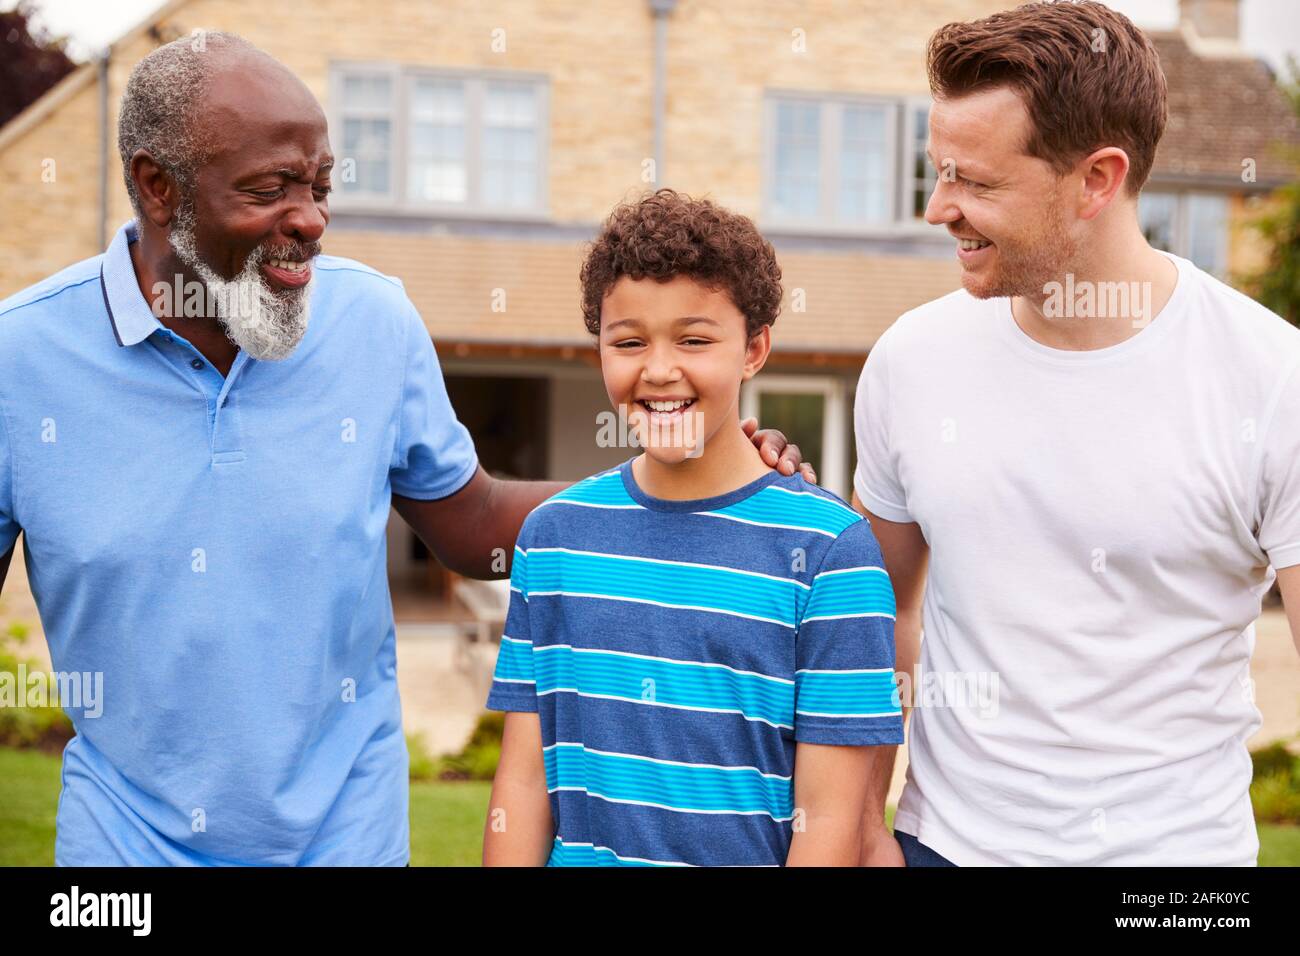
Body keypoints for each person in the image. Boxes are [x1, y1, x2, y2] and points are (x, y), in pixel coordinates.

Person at [0, 34, 809, 866]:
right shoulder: (19, 364)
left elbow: (474, 523)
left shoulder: (372, 322)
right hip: (122, 853)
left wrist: (688, 477)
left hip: (346, 842)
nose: (309, 219)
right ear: (157, 186)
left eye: (318, 186)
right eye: (268, 189)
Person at [853, 0, 1300, 867]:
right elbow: (880, 617)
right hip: (945, 848)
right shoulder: (911, 361)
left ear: (1097, 178)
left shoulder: (1273, 378)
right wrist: (868, 827)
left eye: (977, 183)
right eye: (939, 171)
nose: (939, 207)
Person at [482, 190, 903, 866]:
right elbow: (524, 781)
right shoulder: (553, 537)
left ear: (755, 347)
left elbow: (829, 818)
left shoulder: (831, 553)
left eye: (694, 339)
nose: (657, 369)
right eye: (628, 342)